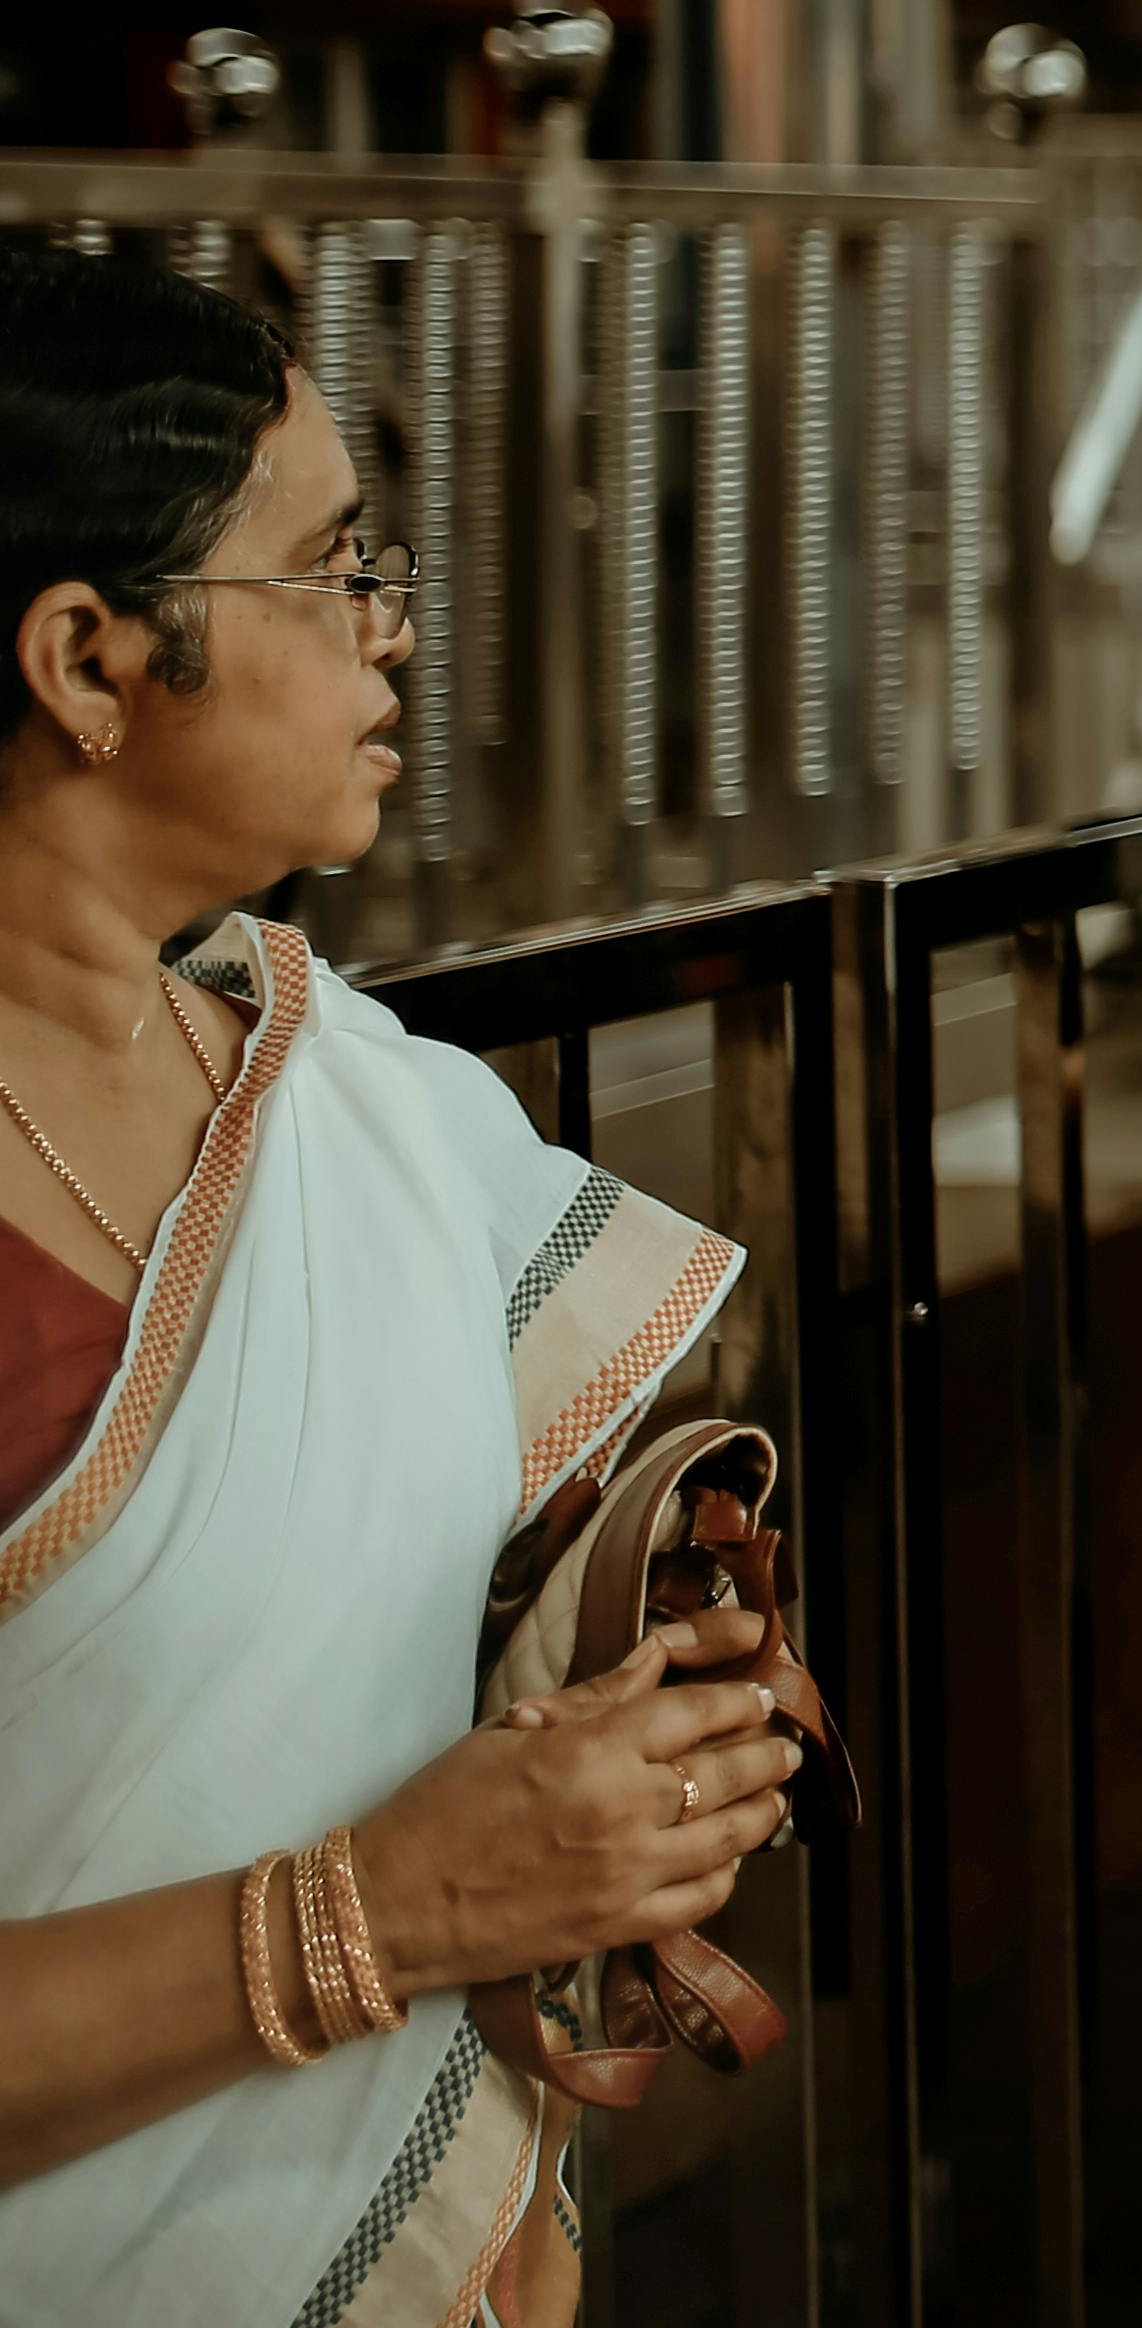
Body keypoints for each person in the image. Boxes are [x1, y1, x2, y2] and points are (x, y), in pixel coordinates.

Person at [0, 244, 803, 2320]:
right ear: (90, 658)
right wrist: (379, 1913)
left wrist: (633, 1725)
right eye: (331, 571)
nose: (397, 633)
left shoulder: (340, 1090)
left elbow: (452, 1614)